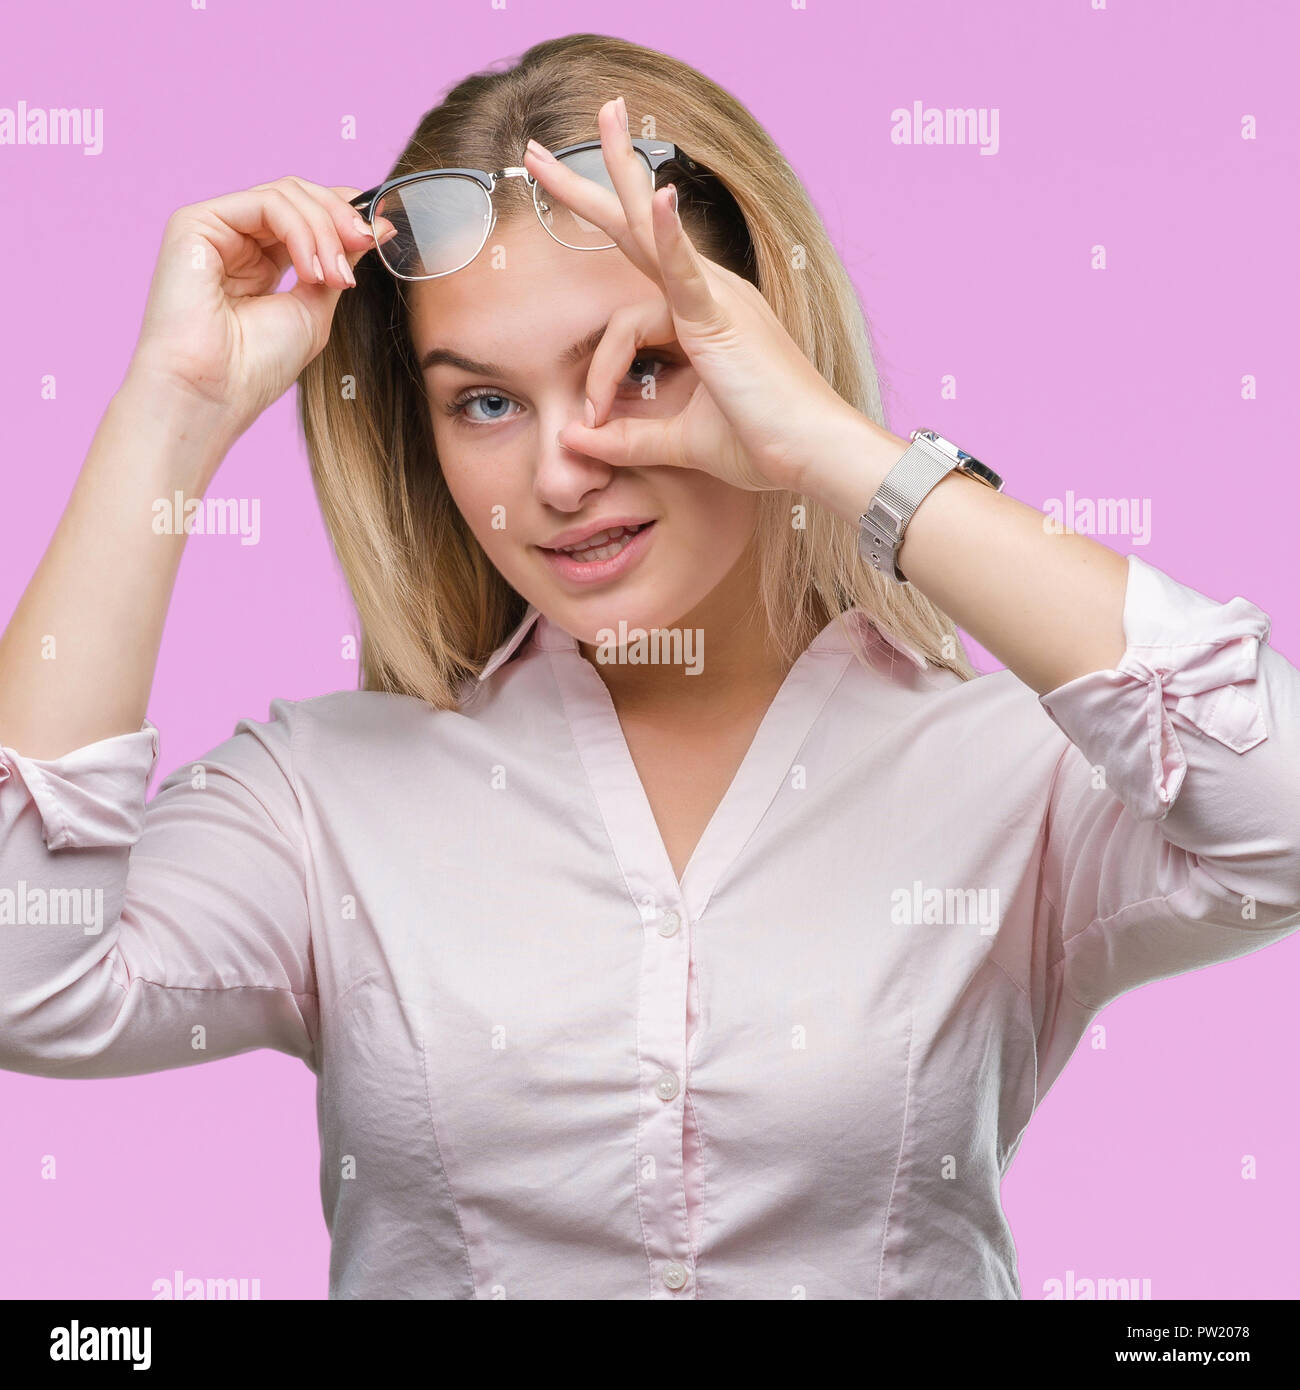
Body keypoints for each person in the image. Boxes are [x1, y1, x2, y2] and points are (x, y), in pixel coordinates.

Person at [0, 32, 1297, 1301]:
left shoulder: (1013, 777)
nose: (563, 468)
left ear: (759, 349)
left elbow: (1280, 820)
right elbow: (25, 979)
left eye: (647, 365)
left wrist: (834, 452)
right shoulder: (321, 799)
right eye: (486, 402)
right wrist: (172, 403)